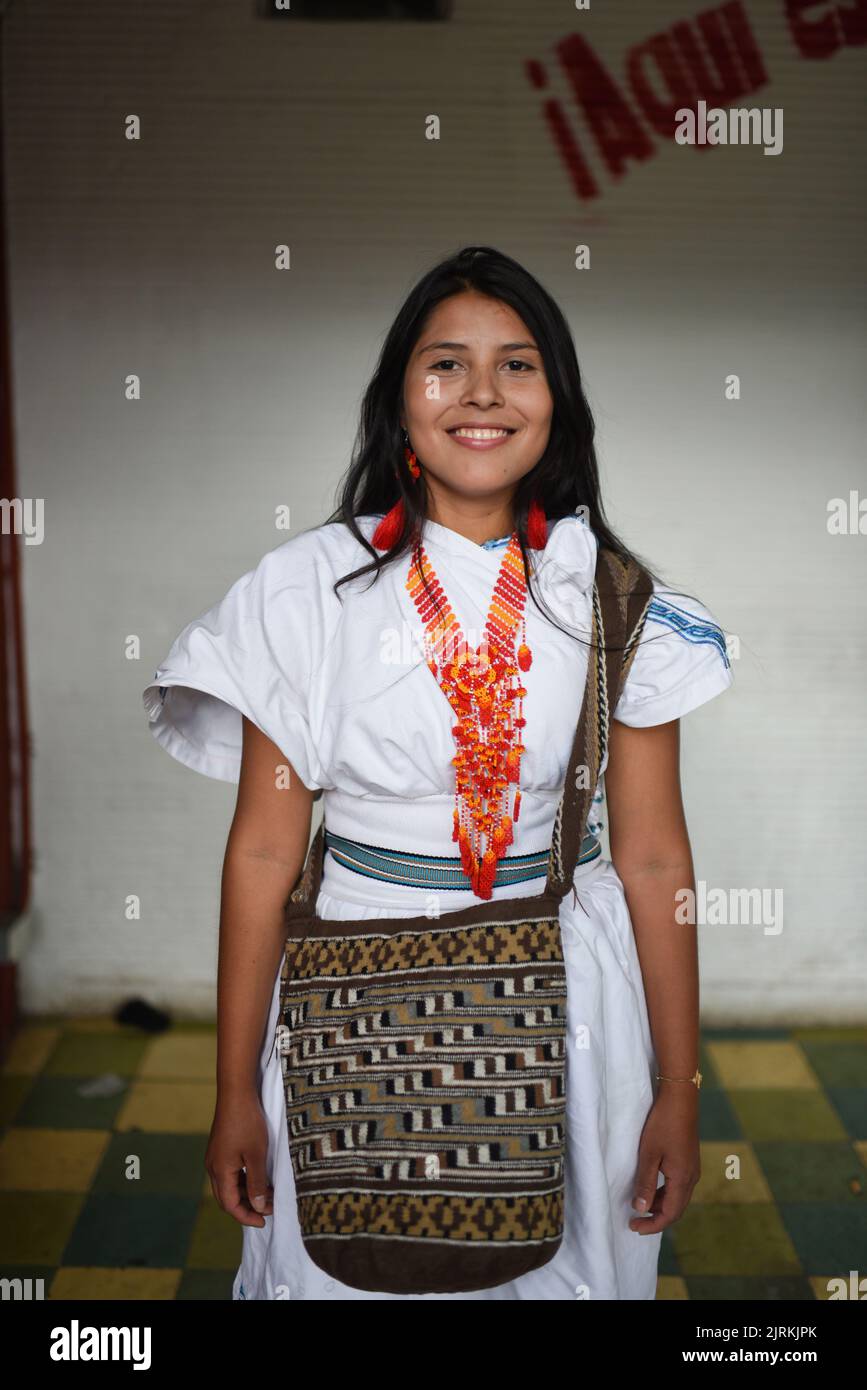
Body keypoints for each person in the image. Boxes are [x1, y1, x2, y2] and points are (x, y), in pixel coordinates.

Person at [142, 246, 733, 1300]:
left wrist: (678, 1090)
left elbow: (650, 855)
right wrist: (232, 1088)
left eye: (518, 365)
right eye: (444, 364)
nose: (481, 395)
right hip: (353, 984)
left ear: (558, 399)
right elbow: (267, 849)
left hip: (570, 995)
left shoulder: (611, 599)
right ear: (398, 401)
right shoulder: (308, 591)